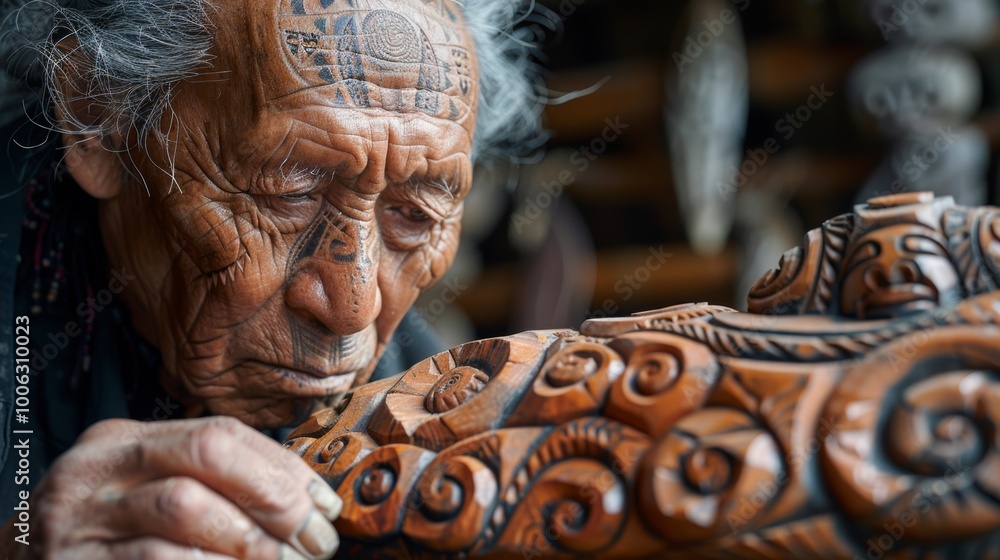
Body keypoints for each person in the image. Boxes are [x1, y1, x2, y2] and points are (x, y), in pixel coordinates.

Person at [0, 0, 541, 557]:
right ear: (101, 116)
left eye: (414, 214)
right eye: (289, 194)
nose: (353, 308)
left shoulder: (423, 407)